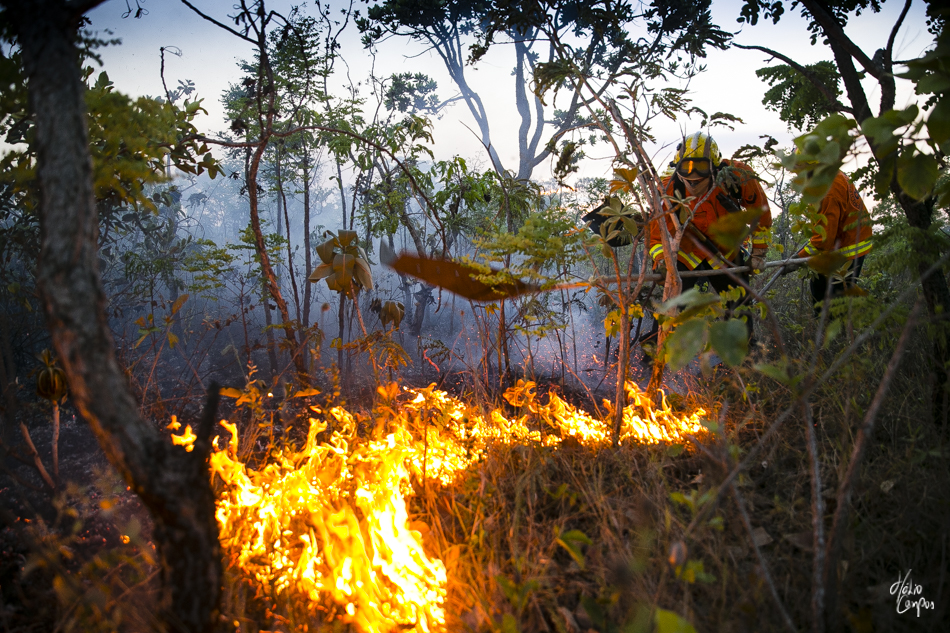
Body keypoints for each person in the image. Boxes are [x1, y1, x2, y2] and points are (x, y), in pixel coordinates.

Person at [641, 131, 772, 359]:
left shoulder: (737, 178)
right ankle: (654, 358)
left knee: (739, 306)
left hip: (726, 252)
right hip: (685, 255)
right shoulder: (668, 190)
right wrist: (663, 264)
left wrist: (759, 252)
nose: (693, 176)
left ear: (715, 166)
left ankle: (743, 359)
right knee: (673, 309)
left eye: (700, 167)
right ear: (677, 166)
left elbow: (759, 213)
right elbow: (656, 237)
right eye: (686, 167)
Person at [790, 168, 873, 311]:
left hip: (848, 247)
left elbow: (823, 240)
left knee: (836, 301)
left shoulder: (828, 190)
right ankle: (821, 327)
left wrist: (797, 260)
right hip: (836, 241)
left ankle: (836, 331)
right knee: (818, 288)